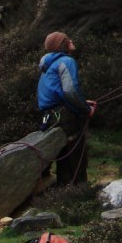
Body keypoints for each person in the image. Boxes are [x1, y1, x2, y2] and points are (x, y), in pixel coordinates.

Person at [37, 31, 96, 185]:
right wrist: (86, 109)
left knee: (63, 151)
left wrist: (83, 101)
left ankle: (64, 188)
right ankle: (79, 191)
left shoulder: (48, 64)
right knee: (76, 152)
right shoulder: (66, 61)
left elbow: (57, 90)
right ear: (62, 44)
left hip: (50, 114)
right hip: (65, 114)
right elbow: (70, 91)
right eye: (67, 39)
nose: (71, 40)